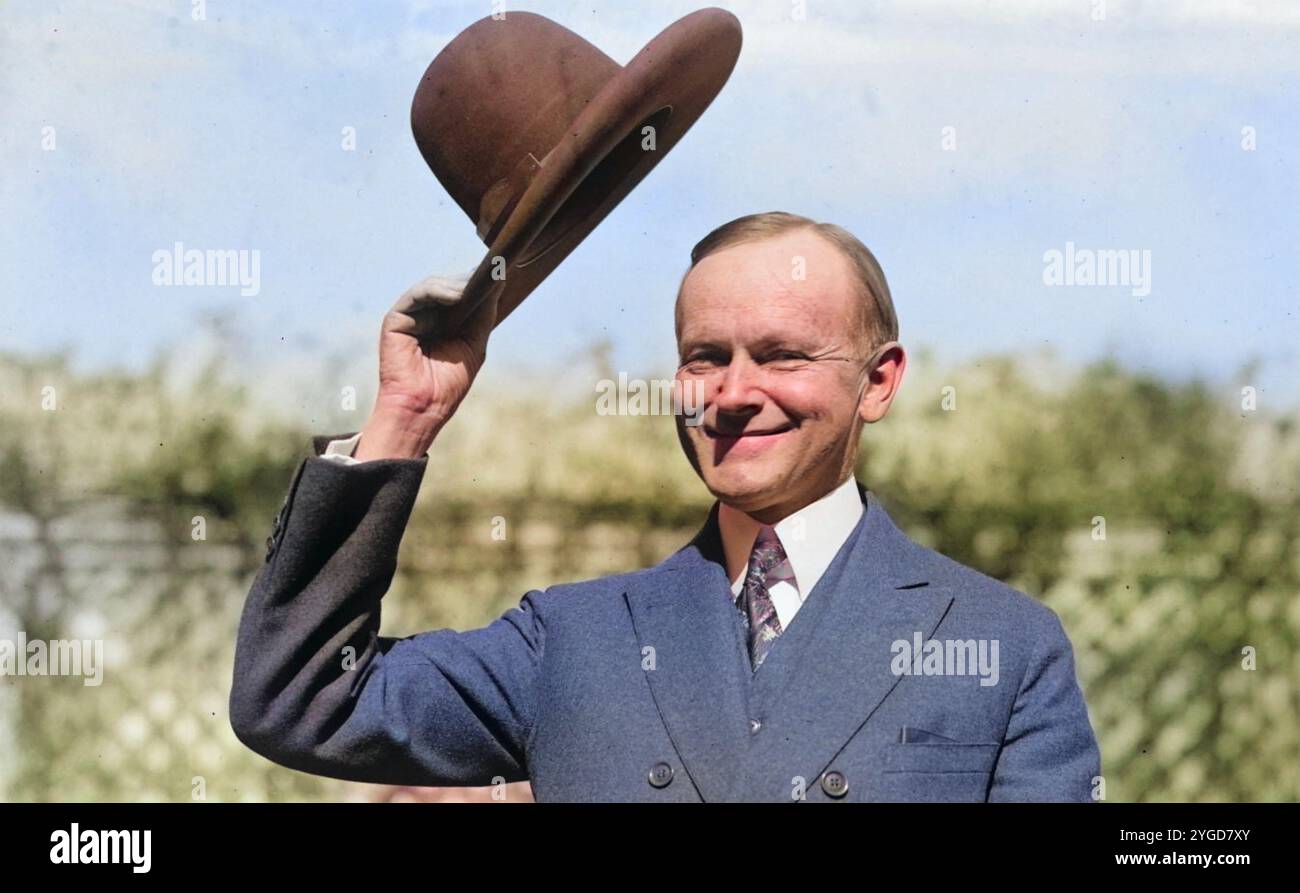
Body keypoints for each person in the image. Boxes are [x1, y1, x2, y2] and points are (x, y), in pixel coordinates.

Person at [229, 211, 1102, 802]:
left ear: (879, 381)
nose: (734, 392)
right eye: (704, 357)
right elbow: (298, 699)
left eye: (783, 355)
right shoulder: (570, 641)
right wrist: (405, 416)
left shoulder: (1005, 647)